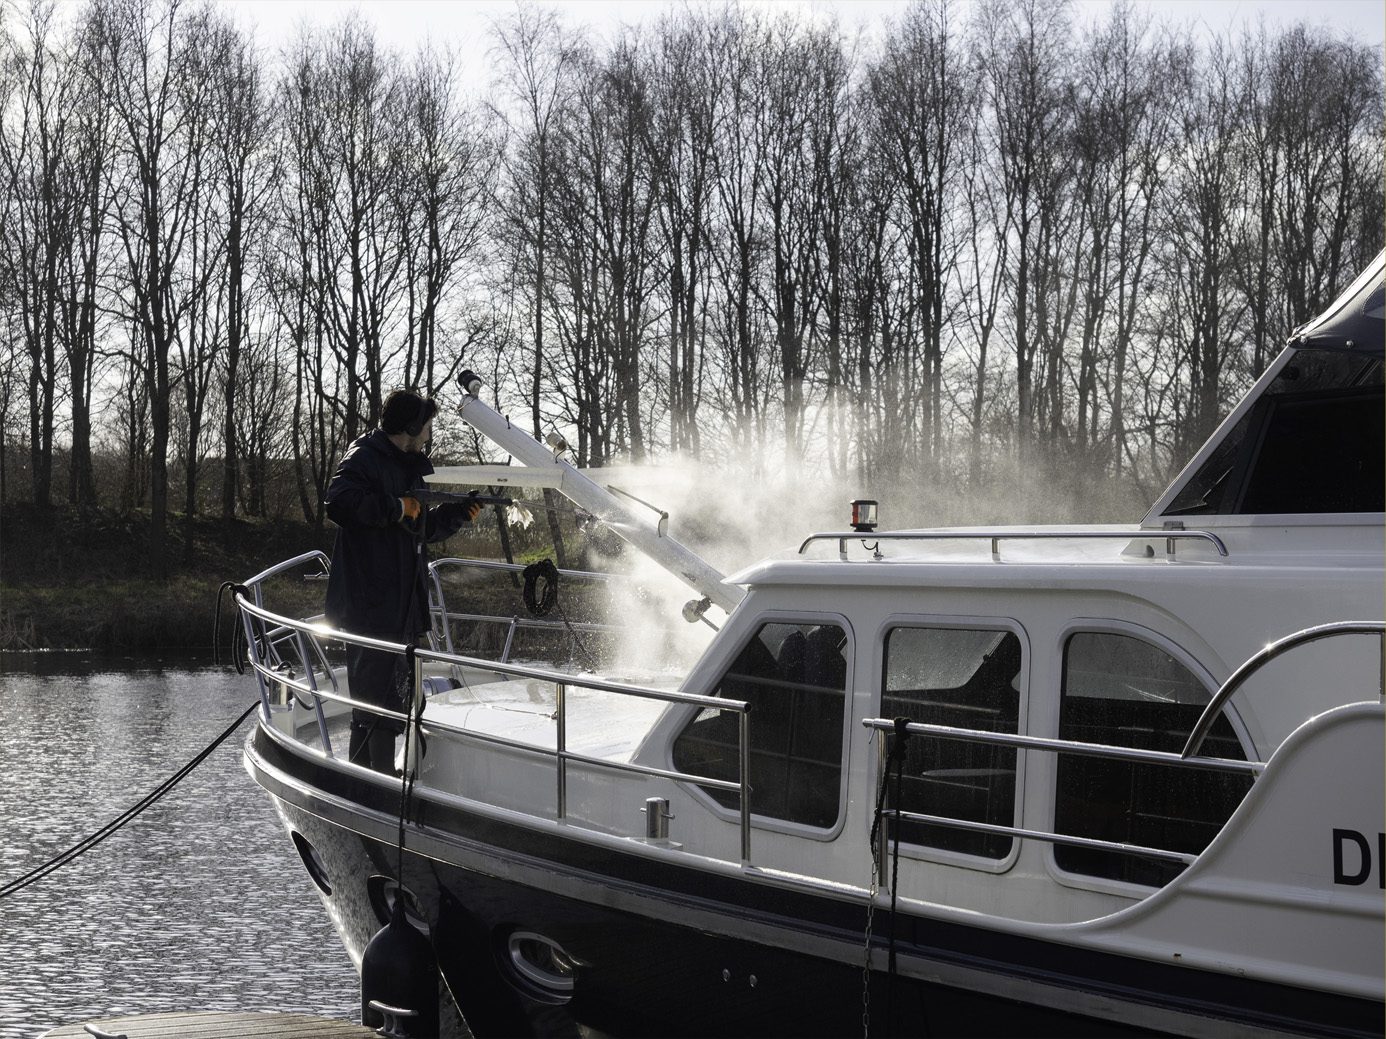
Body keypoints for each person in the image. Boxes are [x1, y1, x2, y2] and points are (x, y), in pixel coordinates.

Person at [324, 389, 480, 773]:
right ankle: (376, 782)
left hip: (402, 606)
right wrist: (395, 507)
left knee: (396, 698)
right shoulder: (364, 457)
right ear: (411, 427)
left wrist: (460, 513)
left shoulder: (409, 464)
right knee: (375, 701)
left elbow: (420, 528)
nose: (429, 434)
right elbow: (338, 503)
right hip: (370, 604)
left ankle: (366, 778)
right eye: (426, 426)